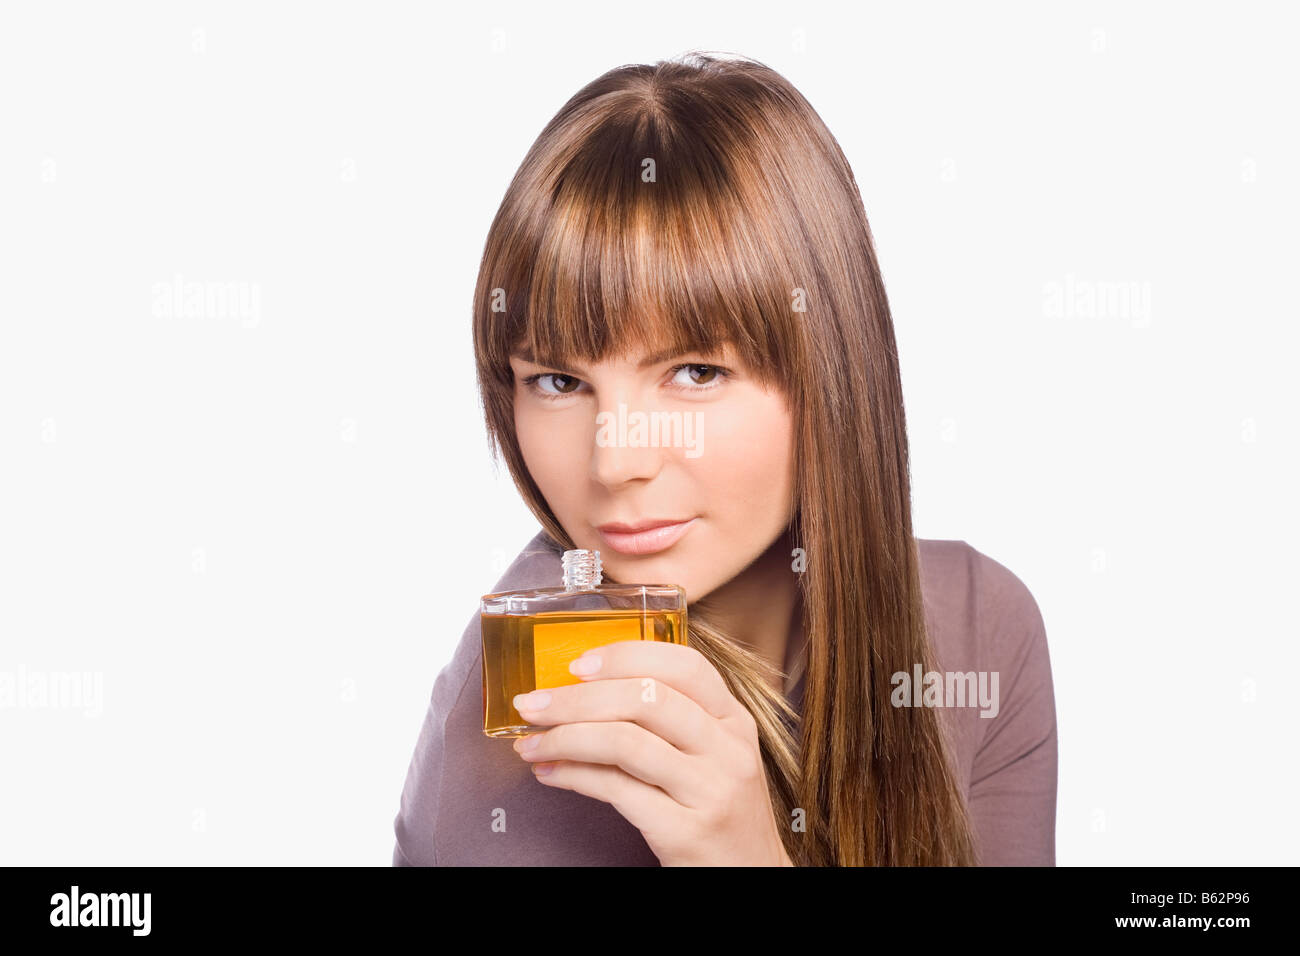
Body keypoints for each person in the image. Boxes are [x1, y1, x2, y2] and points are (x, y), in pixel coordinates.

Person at [393, 51, 1056, 866]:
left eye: (695, 372)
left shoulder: (979, 626)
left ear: (832, 369)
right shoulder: (526, 723)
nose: (614, 465)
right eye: (559, 380)